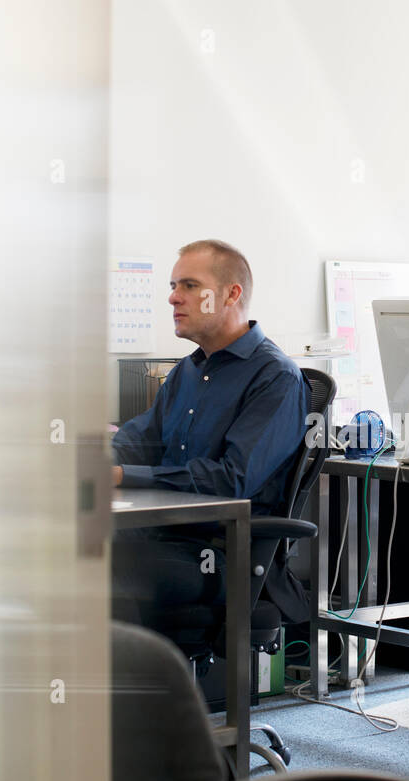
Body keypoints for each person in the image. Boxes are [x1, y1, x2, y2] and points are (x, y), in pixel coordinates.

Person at [111, 239, 308, 633]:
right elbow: (140, 440)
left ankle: (147, 692)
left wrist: (123, 477)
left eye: (187, 285)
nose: (172, 298)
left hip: (218, 555)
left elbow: (232, 480)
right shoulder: (187, 371)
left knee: (96, 574)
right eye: (172, 286)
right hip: (162, 538)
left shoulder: (276, 378)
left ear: (231, 294)